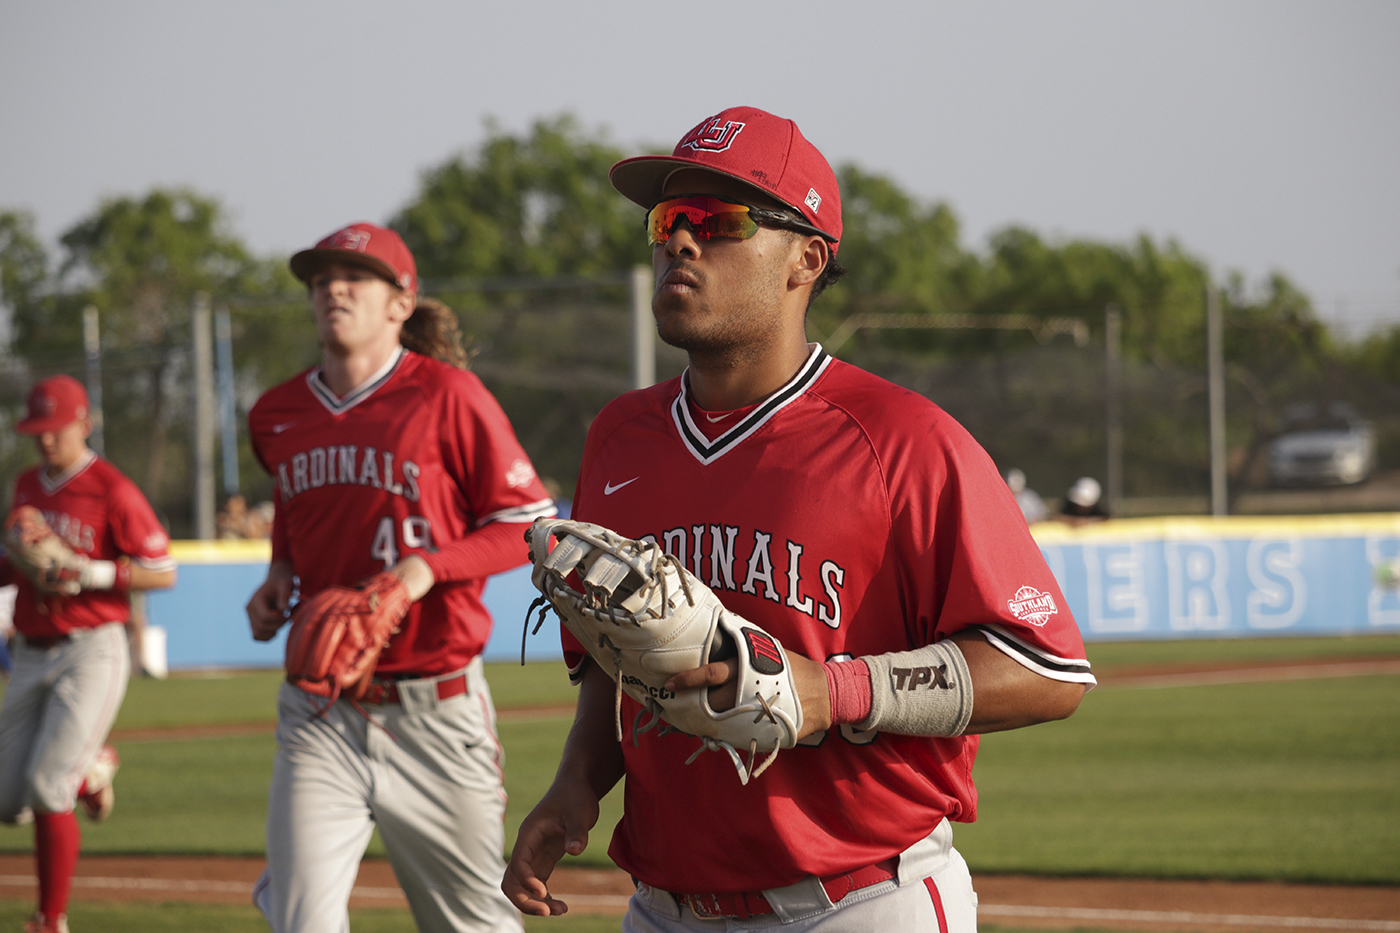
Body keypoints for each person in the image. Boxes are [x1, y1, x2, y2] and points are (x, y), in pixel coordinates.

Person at [502, 107, 1097, 932]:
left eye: (720, 222)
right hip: (662, 905)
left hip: (856, 900)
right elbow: (621, 650)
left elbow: (1043, 669)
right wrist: (576, 781)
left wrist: (834, 689)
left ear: (807, 260)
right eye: (669, 218)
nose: (681, 241)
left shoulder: (904, 440)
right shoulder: (619, 436)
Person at [245, 222, 555, 933]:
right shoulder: (277, 413)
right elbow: (293, 503)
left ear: (401, 302)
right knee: (301, 919)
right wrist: (279, 571)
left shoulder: (448, 395)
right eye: (321, 278)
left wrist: (424, 568)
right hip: (320, 710)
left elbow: (529, 524)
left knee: (470, 925)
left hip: (435, 709)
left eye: (355, 276)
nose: (333, 289)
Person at [0, 374, 177, 933]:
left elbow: (164, 571)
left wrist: (93, 571)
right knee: (7, 800)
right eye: (37, 430)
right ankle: (90, 775)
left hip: (91, 649)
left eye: (55, 429)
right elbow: (19, 569)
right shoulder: (27, 484)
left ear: (84, 423)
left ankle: (50, 920)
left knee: (47, 787)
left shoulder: (112, 489)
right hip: (30, 649)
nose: (45, 441)